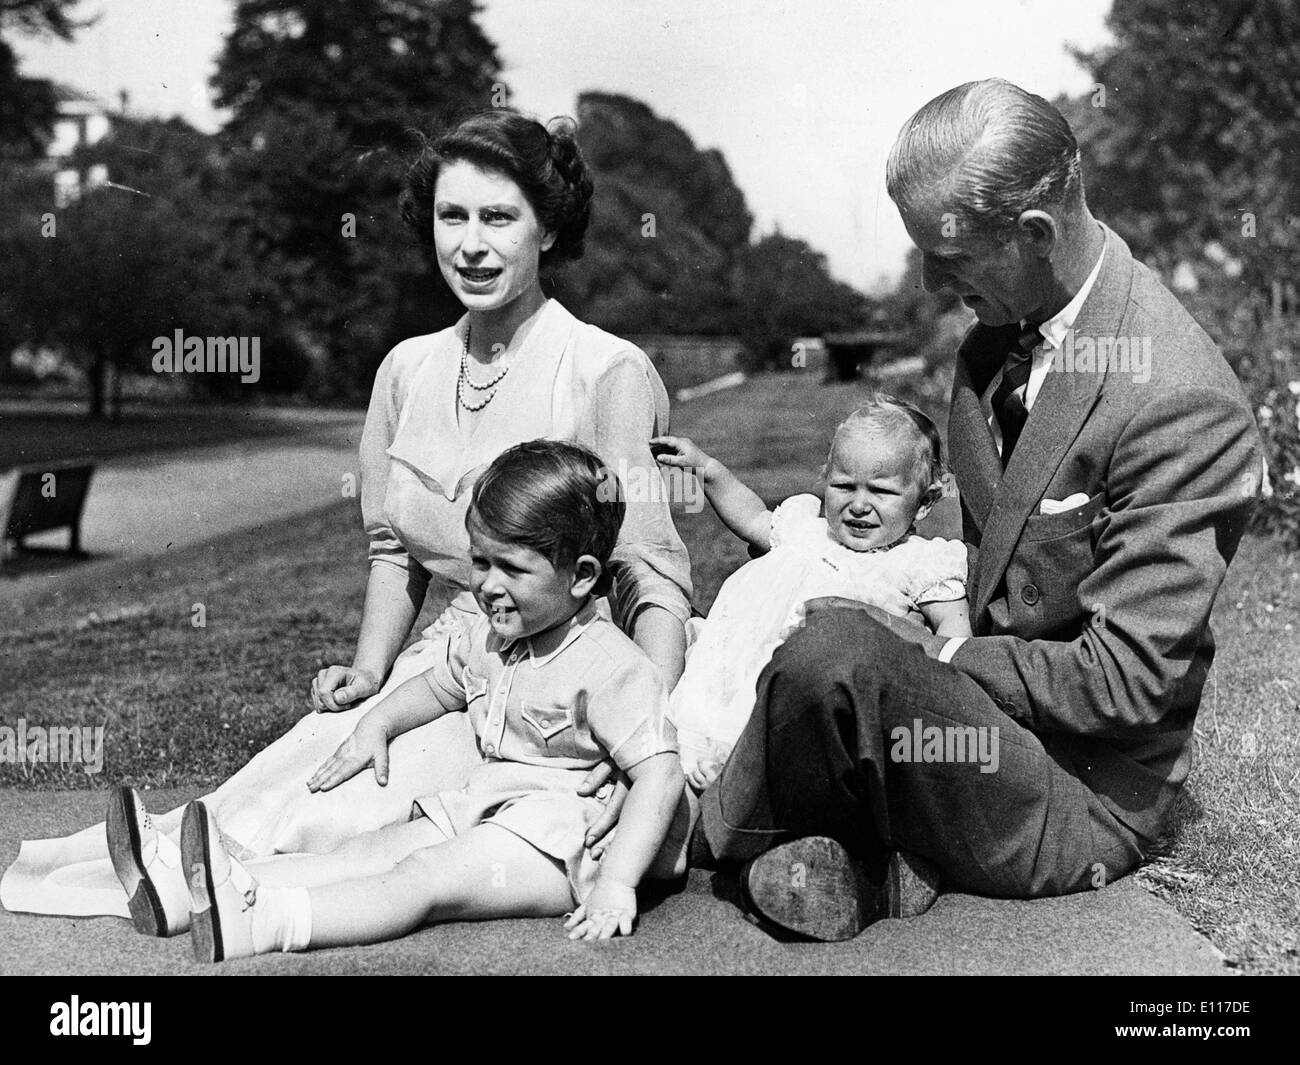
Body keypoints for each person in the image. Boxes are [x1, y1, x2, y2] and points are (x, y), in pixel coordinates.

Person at [1, 108, 692, 929]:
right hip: (454, 660)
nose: (471, 244)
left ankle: (212, 894)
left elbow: (648, 574)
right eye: (452, 216)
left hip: (561, 684)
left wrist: (636, 737)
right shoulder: (407, 370)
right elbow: (392, 549)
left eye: (499, 218)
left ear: (547, 230)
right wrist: (370, 673)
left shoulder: (606, 371)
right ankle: (148, 862)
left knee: (345, 809)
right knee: (302, 765)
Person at [696, 79, 1264, 942]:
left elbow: (1127, 682)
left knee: (835, 655)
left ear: (1034, 234)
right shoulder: (995, 347)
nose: (927, 279)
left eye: (948, 258)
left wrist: (938, 652)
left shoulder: (1179, 399)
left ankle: (727, 835)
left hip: (1078, 788)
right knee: (792, 626)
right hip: (977, 722)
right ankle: (852, 844)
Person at [108, 442, 687, 959]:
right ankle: (193, 895)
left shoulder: (612, 666)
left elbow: (659, 775)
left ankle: (263, 925)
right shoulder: (494, 637)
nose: (487, 585)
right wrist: (378, 723)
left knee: (422, 876)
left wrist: (617, 881)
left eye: (511, 568)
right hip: (484, 807)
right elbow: (441, 685)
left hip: (564, 844)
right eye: (479, 562)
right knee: (366, 852)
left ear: (582, 577)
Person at [651, 394, 969, 791]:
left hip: (812, 695)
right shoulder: (806, 528)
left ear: (924, 502)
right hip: (735, 670)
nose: (858, 505)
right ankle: (689, 769)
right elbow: (751, 517)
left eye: (881, 492)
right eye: (843, 486)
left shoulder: (921, 564)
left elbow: (955, 640)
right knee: (693, 717)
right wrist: (707, 470)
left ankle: (742, 777)